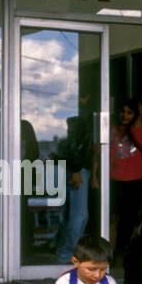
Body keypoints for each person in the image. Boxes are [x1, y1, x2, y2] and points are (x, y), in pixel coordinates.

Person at [54, 88, 98, 263]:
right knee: (78, 215)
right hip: (77, 169)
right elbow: (76, 144)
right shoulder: (81, 117)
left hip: (74, 168)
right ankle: (68, 253)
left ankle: (65, 250)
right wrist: (76, 170)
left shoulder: (76, 115)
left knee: (73, 214)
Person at [108, 98, 142, 263]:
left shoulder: (137, 129)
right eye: (122, 111)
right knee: (113, 219)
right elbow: (100, 153)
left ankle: (131, 256)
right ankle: (110, 255)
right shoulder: (112, 129)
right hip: (115, 179)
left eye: (129, 112)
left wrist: (139, 113)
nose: (125, 115)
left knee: (131, 220)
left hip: (134, 180)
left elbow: (141, 140)